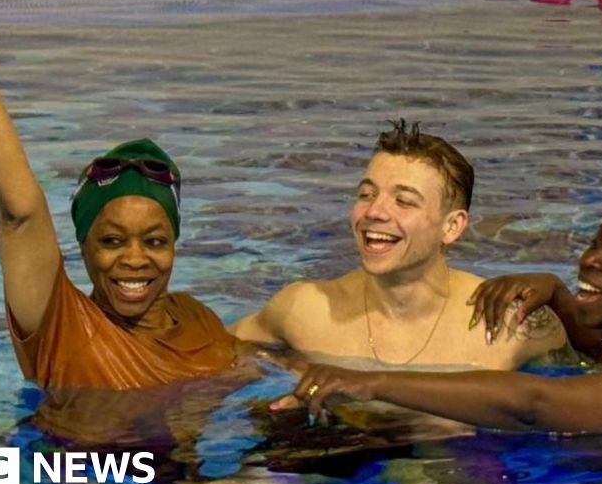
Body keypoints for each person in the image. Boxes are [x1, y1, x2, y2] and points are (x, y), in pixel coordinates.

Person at [0, 0, 236, 389]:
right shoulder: (63, 328)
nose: (135, 258)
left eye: (155, 240)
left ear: (174, 245)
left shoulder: (197, 318)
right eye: (111, 240)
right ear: (83, 246)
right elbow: (20, 212)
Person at [291, 185, 602, 432]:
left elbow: (534, 405)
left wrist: (373, 382)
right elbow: (595, 346)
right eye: (595, 242)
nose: (590, 259)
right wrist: (558, 295)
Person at [231, 120, 566, 370]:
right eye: (366, 194)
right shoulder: (305, 311)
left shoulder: (511, 326)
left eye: (404, 201)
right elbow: (210, 354)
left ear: (452, 227)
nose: (374, 212)